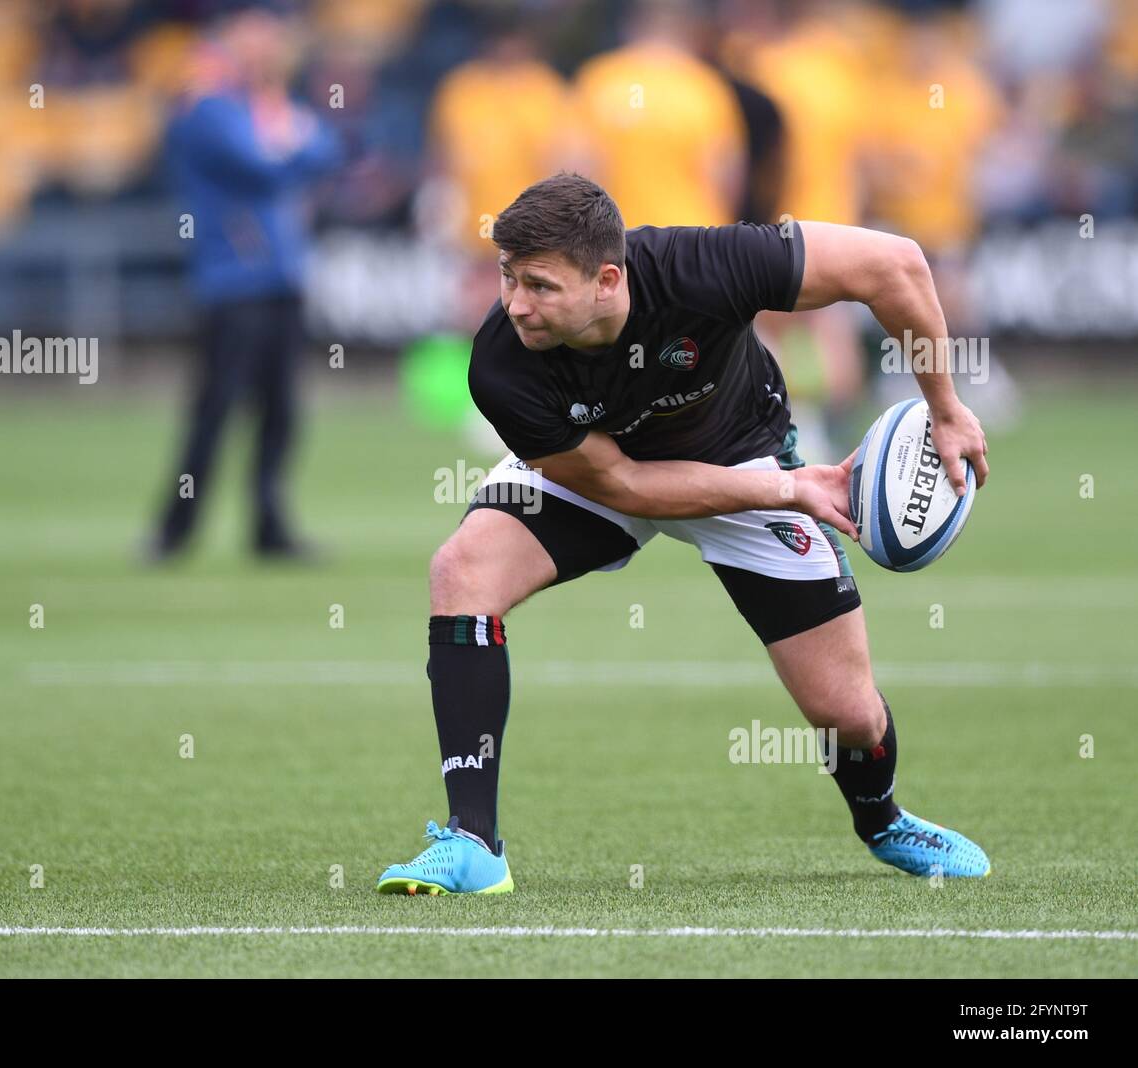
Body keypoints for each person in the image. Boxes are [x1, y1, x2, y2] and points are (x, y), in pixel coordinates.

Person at [376, 173, 990, 895]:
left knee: (846, 713)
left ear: (608, 279)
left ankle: (882, 820)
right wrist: (792, 489)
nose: (515, 304)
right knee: (463, 572)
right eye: (508, 278)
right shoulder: (503, 366)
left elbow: (895, 265)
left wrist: (944, 407)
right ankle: (474, 844)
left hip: (740, 453)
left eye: (540, 286)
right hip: (604, 465)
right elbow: (625, 489)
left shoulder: (704, 268)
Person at [149, 8, 341, 561]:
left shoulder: (264, 109)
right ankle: (174, 531)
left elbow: (321, 149)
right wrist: (294, 144)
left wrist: (293, 142)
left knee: (280, 412)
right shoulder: (212, 109)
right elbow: (272, 167)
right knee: (216, 408)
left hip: (280, 278)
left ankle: (268, 526)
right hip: (233, 283)